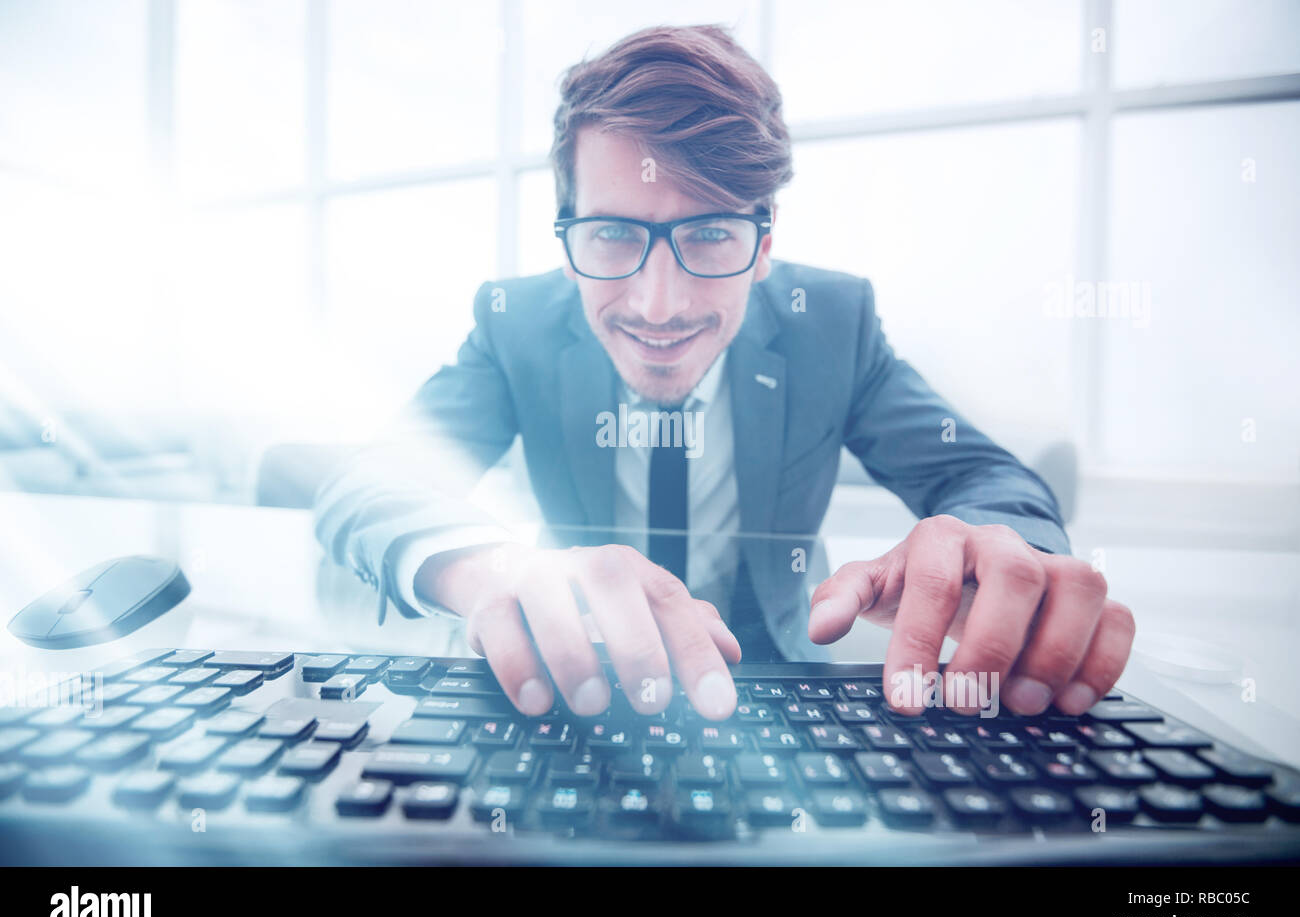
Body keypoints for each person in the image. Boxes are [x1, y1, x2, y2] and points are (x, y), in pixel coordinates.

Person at [313, 24, 1134, 725]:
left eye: (708, 235)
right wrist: (490, 574)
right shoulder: (515, 323)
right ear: (565, 231)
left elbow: (981, 474)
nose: (658, 304)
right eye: (609, 235)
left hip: (786, 684)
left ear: (765, 239)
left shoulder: (831, 323)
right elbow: (370, 481)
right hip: (577, 687)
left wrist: (995, 549)